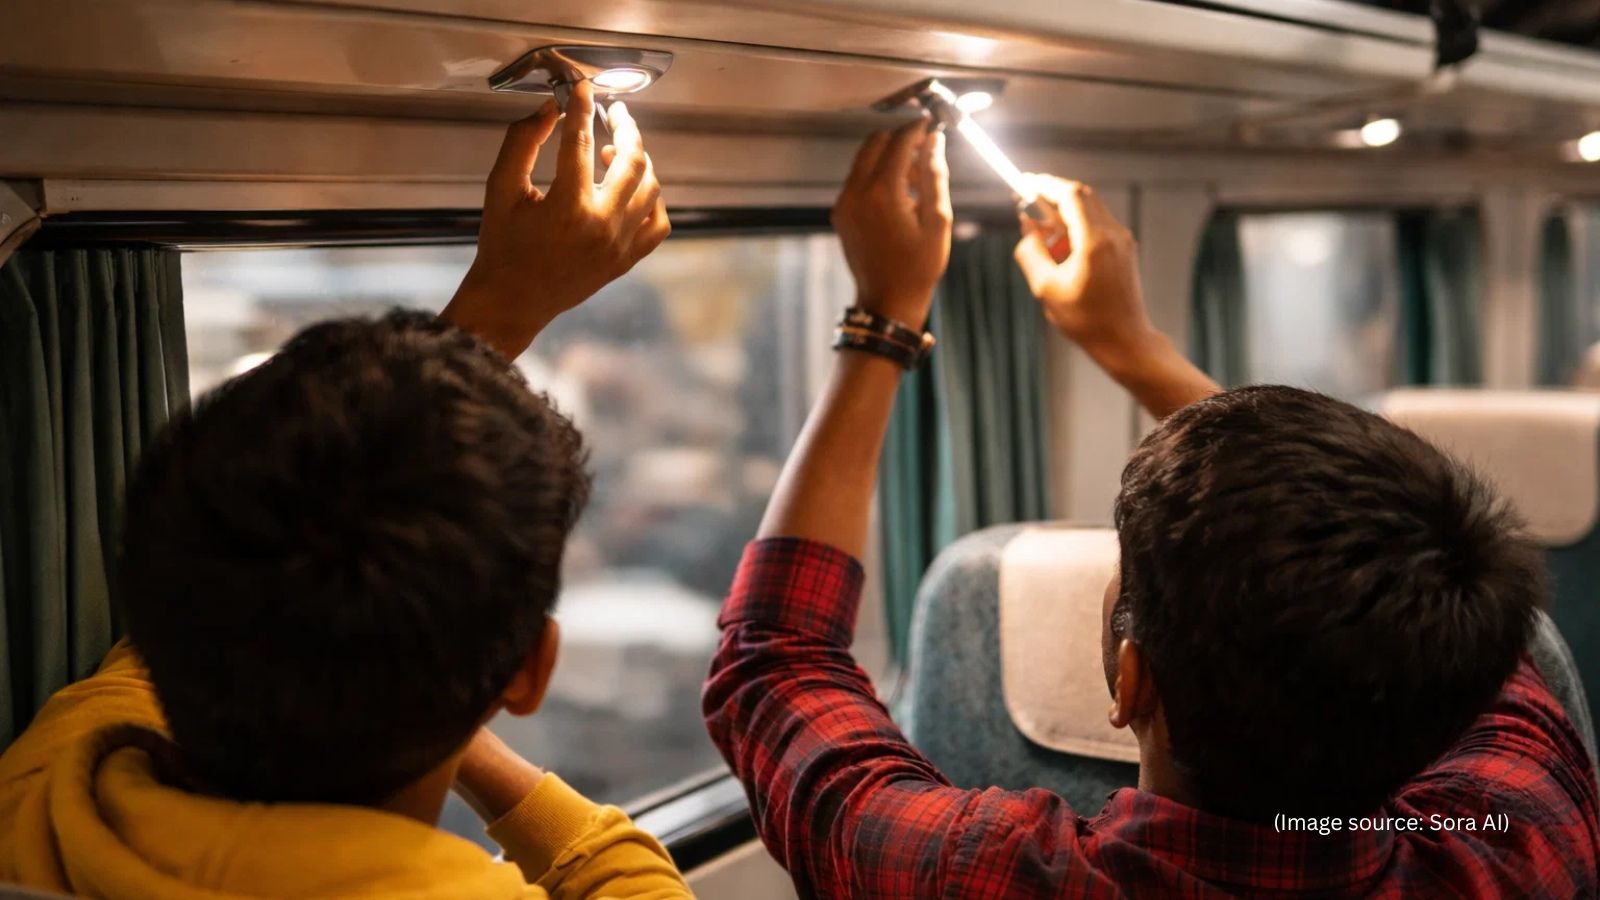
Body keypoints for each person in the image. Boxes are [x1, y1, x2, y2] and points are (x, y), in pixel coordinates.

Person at [702, 121, 1600, 896]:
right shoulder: (1513, 847)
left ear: (1130, 681)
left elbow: (774, 658)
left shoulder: (986, 873)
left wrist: (884, 318)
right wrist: (1127, 344)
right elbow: (777, 663)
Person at [0, 81, 690, 899]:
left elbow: (217, 600)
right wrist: (434, 682)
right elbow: (631, 878)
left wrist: (500, 307)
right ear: (530, 670)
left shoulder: (45, 795)